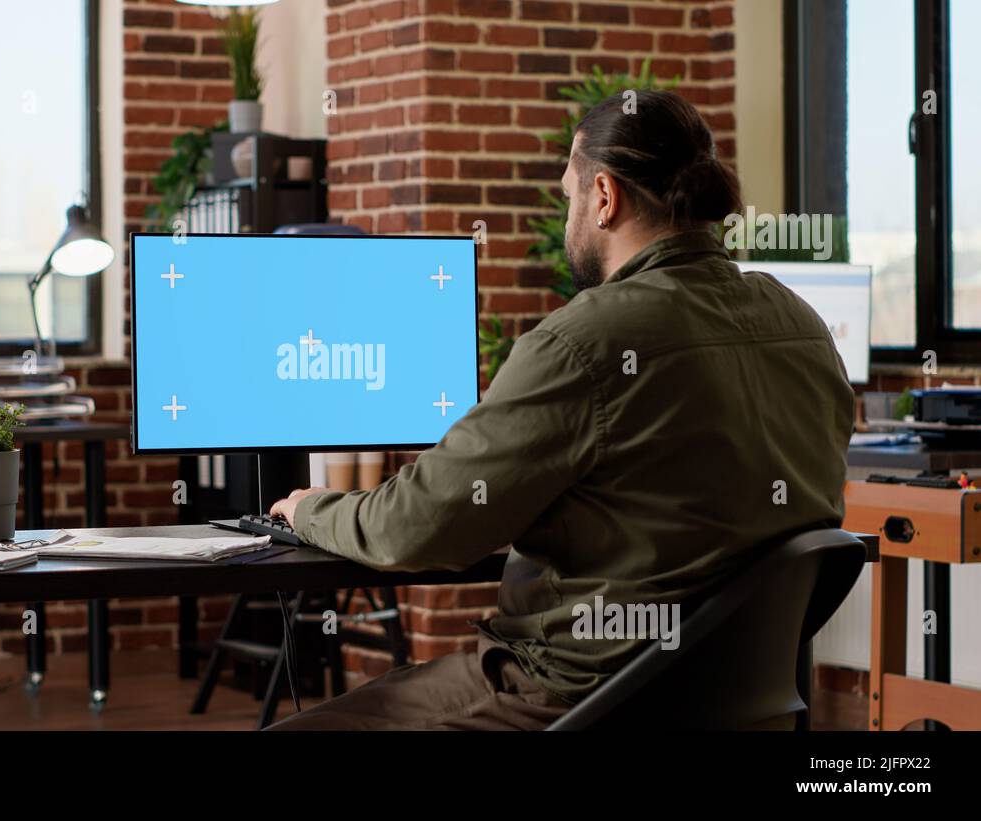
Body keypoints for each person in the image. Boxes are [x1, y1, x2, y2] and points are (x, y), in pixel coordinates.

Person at [265, 90, 855, 730]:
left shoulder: (583, 341)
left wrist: (309, 509)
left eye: (570, 192)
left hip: (580, 700)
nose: (568, 210)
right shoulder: (802, 324)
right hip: (743, 709)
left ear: (604, 196)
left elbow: (419, 524)